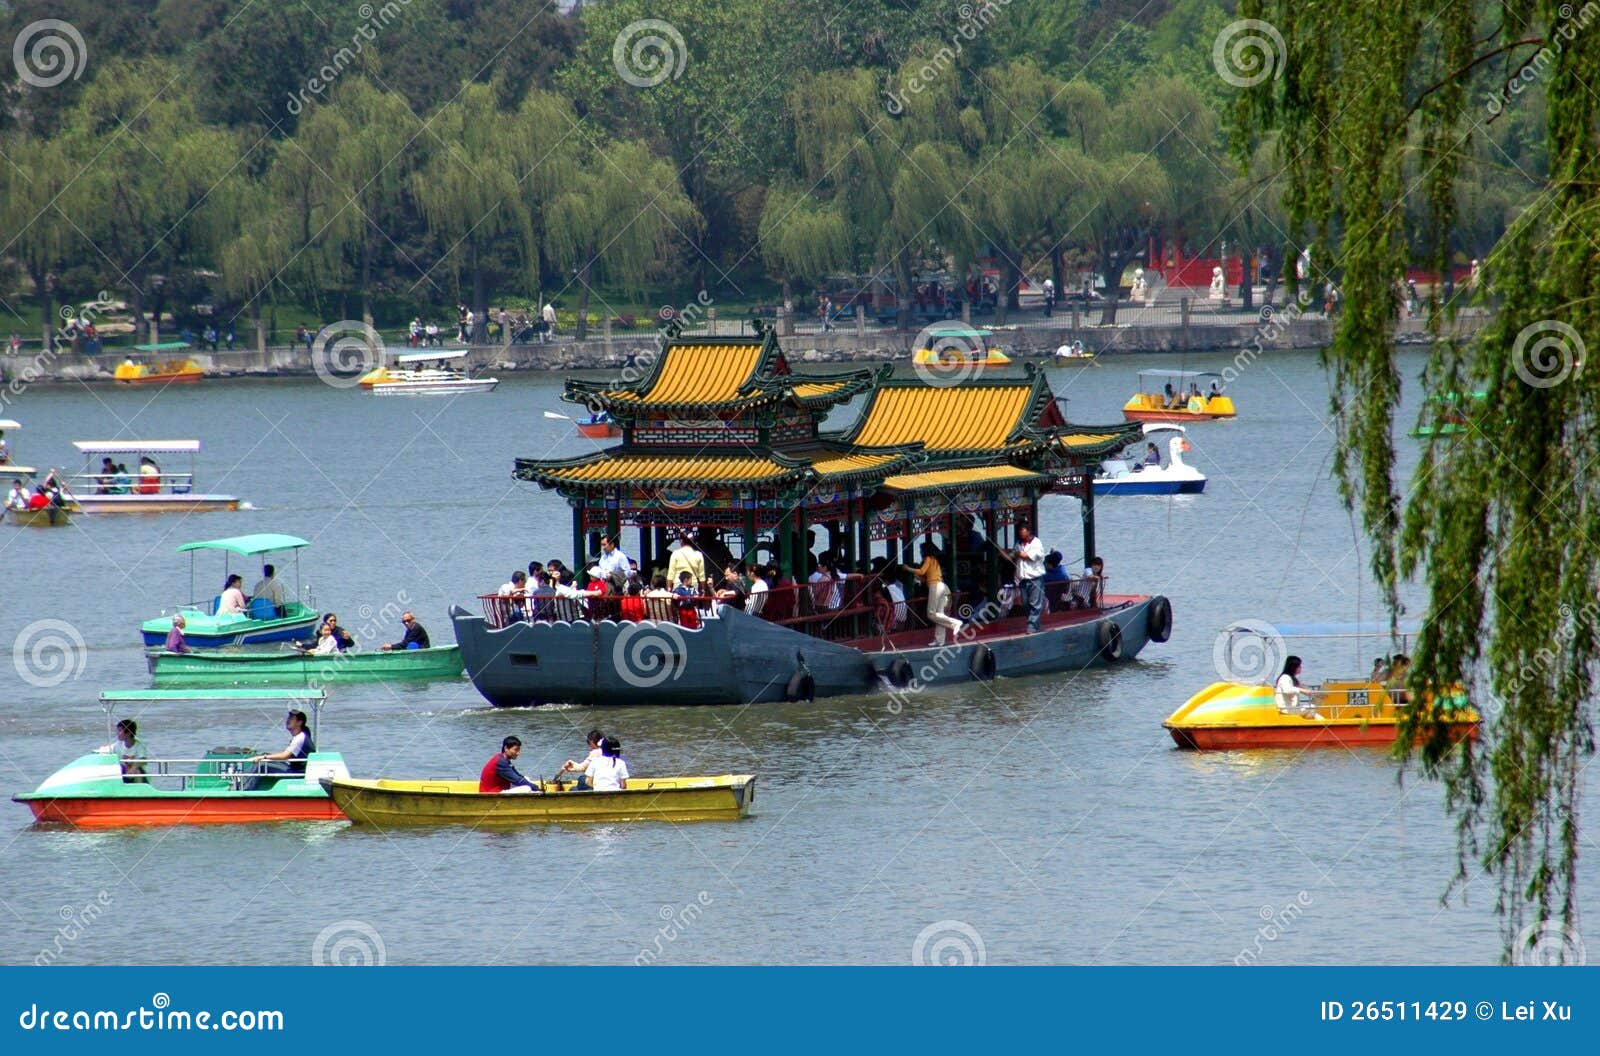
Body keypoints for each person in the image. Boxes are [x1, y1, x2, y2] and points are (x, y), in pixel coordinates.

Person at [247, 710, 315, 788]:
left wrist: (263, 757)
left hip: (297, 773)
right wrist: (265, 756)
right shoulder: (301, 735)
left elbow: (285, 756)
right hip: (294, 768)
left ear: (299, 722)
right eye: (288, 718)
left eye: (292, 718)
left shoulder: (300, 737)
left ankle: (244, 789)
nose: (288, 720)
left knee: (261, 765)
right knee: (265, 756)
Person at [912, 543, 963, 646]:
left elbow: (923, 574)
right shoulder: (936, 561)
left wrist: (912, 572)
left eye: (921, 550)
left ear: (925, 551)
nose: (920, 552)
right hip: (944, 587)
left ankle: (955, 623)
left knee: (931, 614)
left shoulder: (927, 561)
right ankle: (940, 640)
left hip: (936, 588)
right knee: (939, 614)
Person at [1011, 525, 1046, 633]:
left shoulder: (1036, 542)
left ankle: (1032, 626)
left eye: (1022, 530)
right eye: (1019, 530)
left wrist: (1017, 553)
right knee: (1025, 602)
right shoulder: (1018, 543)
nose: (1020, 532)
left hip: (1035, 578)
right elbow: (1014, 556)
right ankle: (1035, 623)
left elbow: (1028, 556)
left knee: (1035, 603)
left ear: (1029, 531)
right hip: (1023, 578)